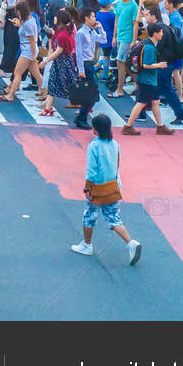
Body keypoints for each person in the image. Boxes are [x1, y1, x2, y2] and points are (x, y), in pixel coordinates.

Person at [70, 114, 143, 266]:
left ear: (96, 128)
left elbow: (91, 172)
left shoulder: (94, 146)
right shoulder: (116, 144)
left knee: (89, 216)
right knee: (114, 218)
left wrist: (87, 189)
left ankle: (87, 245)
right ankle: (131, 243)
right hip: (114, 187)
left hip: (98, 188)